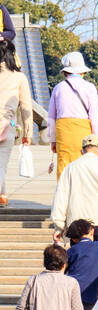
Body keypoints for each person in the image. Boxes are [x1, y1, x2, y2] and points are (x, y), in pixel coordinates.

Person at [50, 133, 98, 243]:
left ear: (82, 151)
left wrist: (59, 227)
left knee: (79, 260)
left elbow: (60, 199)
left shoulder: (70, 168)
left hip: (77, 226)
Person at [47, 51, 98, 178]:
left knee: (64, 165)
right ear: (82, 71)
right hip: (83, 130)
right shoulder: (90, 87)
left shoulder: (58, 88)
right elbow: (94, 115)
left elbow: (51, 116)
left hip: (63, 130)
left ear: (66, 72)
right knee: (84, 164)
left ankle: (64, 195)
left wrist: (52, 139)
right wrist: (96, 137)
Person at [0, 38, 34, 207]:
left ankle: (2, 194)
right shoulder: (19, 78)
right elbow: (26, 106)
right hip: (7, 124)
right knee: (2, 162)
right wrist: (28, 134)